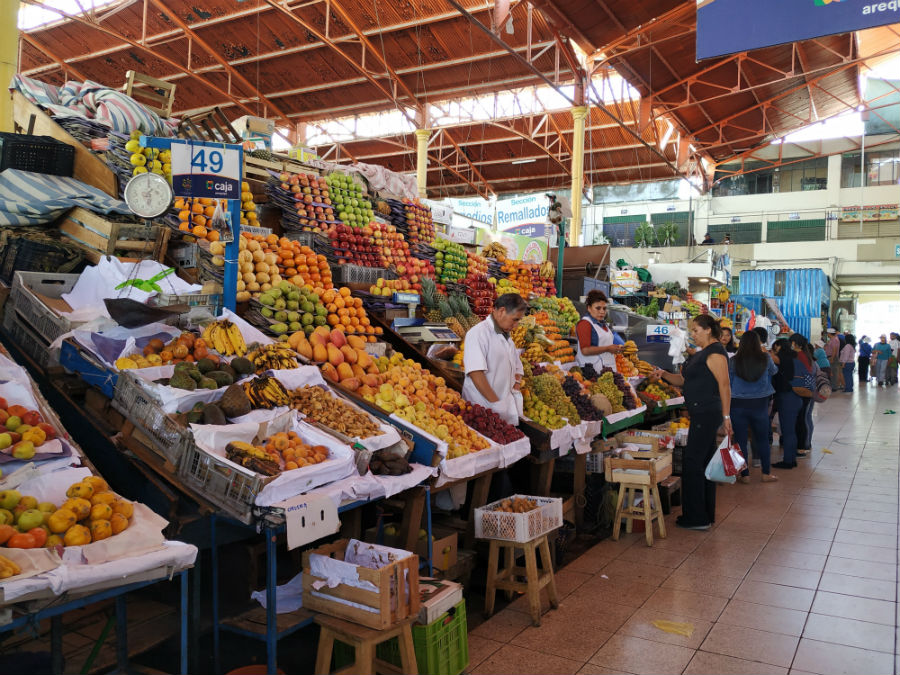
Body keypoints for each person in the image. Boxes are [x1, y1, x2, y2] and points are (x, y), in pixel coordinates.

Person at [652, 315, 731, 530]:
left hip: (706, 413)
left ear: (708, 330)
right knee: (704, 462)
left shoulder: (716, 353)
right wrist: (664, 374)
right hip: (701, 413)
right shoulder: (704, 353)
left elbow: (725, 386)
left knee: (693, 462)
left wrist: (726, 417)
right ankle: (705, 514)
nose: (693, 334)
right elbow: (685, 381)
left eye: (696, 330)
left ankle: (696, 518)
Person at [462, 293, 527, 424]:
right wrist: (495, 403)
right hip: (482, 409)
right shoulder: (477, 334)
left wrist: (516, 386)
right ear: (502, 311)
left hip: (501, 408)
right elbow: (476, 372)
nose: (516, 325)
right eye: (515, 319)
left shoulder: (506, 336)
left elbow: (516, 364)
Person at [729, 329, 778, 483]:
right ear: (758, 343)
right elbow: (774, 371)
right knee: (762, 439)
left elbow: (729, 381)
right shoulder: (765, 357)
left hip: (737, 404)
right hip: (760, 404)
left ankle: (745, 475)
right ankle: (766, 473)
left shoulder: (734, 360)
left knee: (740, 440)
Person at [771, 337, 806, 469]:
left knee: (788, 431)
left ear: (779, 347)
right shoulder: (795, 357)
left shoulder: (782, 358)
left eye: (775, 348)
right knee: (791, 430)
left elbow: (769, 358)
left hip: (787, 398)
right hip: (797, 397)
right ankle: (791, 458)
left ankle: (788, 461)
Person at [574, 289, 623, 371]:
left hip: (607, 371)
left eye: (604, 308)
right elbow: (585, 350)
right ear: (589, 308)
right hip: (591, 372)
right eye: (598, 308)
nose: (602, 312)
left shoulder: (603, 324)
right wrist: (607, 348)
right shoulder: (584, 324)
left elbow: (610, 342)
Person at [790, 334, 816, 459]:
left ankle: (801, 448)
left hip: (801, 391)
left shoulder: (798, 356)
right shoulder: (806, 355)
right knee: (804, 418)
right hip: (807, 391)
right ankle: (804, 445)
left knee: (800, 420)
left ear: (794, 343)